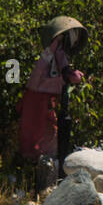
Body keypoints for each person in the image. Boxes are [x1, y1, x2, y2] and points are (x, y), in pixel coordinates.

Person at [17, 16, 88, 190]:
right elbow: (64, 73)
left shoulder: (51, 52)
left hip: (39, 98)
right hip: (41, 101)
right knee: (43, 142)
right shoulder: (56, 51)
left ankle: (34, 181)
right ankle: (43, 185)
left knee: (38, 140)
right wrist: (72, 76)